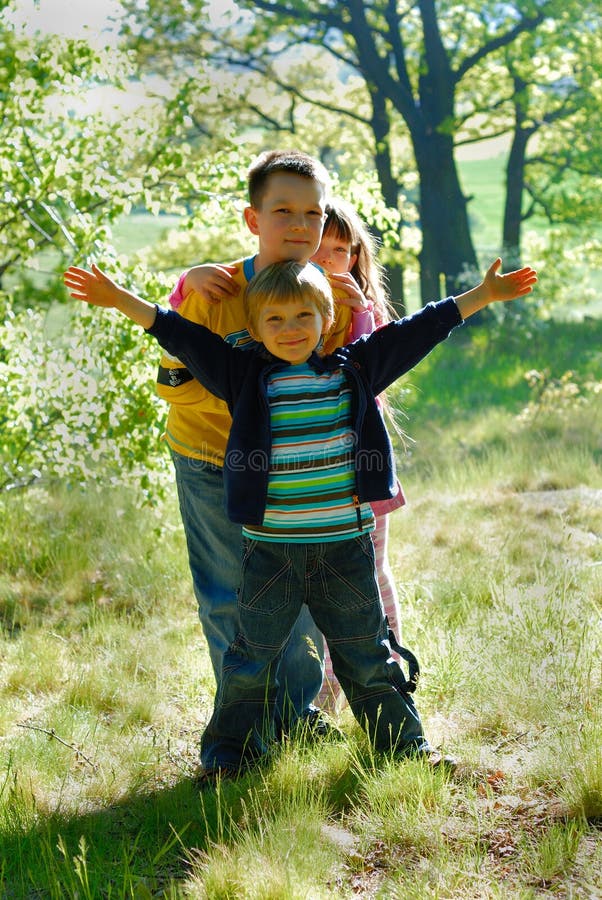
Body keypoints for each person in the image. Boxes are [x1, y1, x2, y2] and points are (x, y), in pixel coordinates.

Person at [63, 255, 537, 778]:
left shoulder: (356, 368)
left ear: (325, 318)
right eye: (275, 319)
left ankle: (407, 751)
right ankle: (228, 759)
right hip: (271, 554)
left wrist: (483, 295)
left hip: (345, 550)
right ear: (255, 328)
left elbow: (418, 330)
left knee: (368, 657)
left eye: (303, 316)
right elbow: (179, 334)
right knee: (250, 661)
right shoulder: (244, 376)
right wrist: (119, 299)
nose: (290, 329)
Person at [154, 150, 362, 736]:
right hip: (211, 459)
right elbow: (175, 387)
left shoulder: (325, 296)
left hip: (293, 468)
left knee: (298, 593)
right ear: (253, 219)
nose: (300, 225)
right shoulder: (214, 290)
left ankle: (294, 720)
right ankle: (242, 729)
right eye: (282, 211)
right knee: (228, 593)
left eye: (313, 213)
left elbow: (337, 382)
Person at [310, 199, 406, 711]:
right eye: (319, 247)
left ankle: (388, 679)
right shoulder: (287, 305)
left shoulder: (362, 310)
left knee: (371, 570)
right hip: (307, 468)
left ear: (356, 257)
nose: (330, 259)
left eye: (342, 249)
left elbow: (372, 371)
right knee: (316, 582)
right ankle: (321, 695)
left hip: (361, 463)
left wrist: (361, 316)